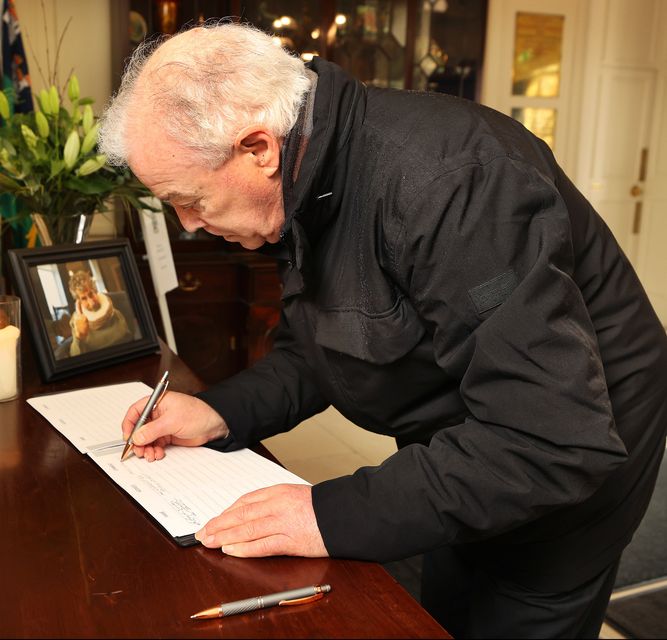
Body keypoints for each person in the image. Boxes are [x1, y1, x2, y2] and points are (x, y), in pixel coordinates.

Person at [98, 22, 667, 639]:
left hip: (569, 445)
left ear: (258, 148)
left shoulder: (455, 183)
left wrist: (329, 513)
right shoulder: (305, 176)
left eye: (190, 199)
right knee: (446, 607)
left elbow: (548, 440)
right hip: (469, 438)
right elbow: (324, 345)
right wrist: (218, 411)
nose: (186, 224)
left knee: (516, 606)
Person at [68, 270, 132, 356]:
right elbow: (75, 356)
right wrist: (79, 337)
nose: (91, 302)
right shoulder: (76, 321)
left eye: (91, 294)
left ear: (95, 291)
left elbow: (127, 335)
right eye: (83, 298)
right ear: (78, 301)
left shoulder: (112, 308)